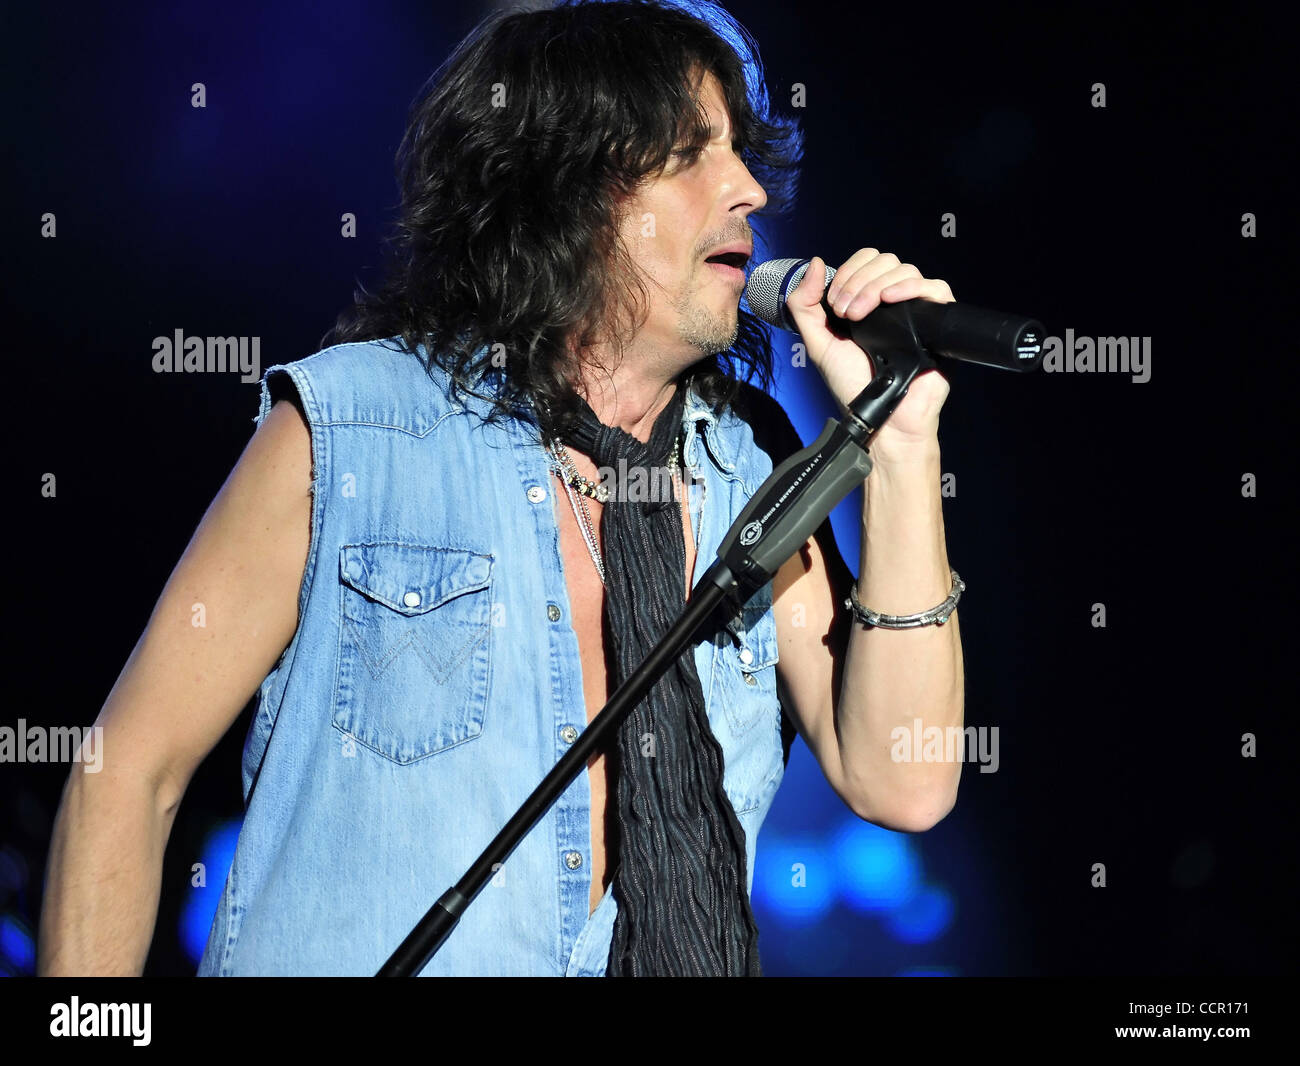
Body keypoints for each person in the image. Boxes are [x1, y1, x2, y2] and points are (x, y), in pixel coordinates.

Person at [38, 0, 964, 977]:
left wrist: (900, 446)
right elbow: (128, 777)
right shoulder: (355, 425)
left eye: (740, 155)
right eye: (692, 155)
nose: (743, 189)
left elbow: (900, 780)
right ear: (565, 186)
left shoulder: (753, 467)